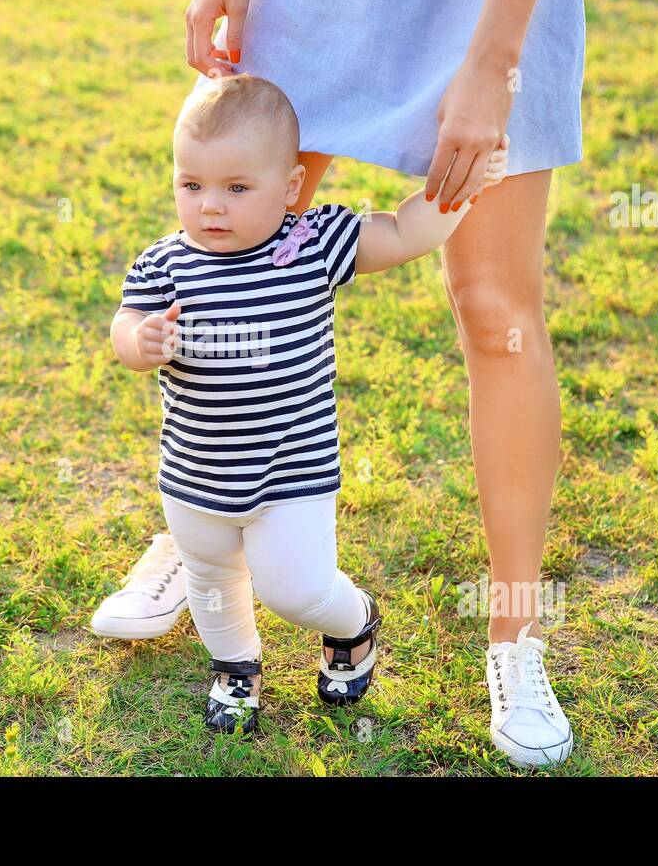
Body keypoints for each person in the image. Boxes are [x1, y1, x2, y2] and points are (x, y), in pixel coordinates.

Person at [94, 0, 583, 767]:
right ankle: (204, 536)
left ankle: (515, 633)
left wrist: (495, 62)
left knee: (494, 307)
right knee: (237, 214)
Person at [109, 74, 506, 733]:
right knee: (212, 581)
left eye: (238, 188)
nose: (212, 205)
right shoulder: (164, 264)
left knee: (293, 587)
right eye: (192, 185)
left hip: (291, 472)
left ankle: (352, 621)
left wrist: (464, 188)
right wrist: (139, 341)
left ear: (291, 188)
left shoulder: (309, 244)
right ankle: (236, 669)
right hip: (194, 476)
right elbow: (126, 324)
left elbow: (407, 231)